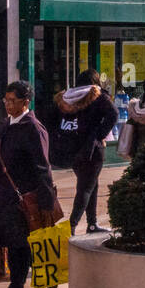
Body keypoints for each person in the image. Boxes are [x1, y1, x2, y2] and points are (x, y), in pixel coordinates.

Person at [0, 81, 56, 288]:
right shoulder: (6, 125)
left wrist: (47, 201)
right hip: (5, 196)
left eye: (12, 101)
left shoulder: (33, 128)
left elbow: (43, 167)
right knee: (16, 244)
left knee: (21, 244)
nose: (7, 104)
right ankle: (39, 280)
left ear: (25, 102)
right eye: (5, 100)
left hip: (26, 198)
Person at [55, 69, 118, 235]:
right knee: (86, 188)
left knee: (91, 185)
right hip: (92, 150)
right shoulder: (97, 96)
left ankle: (92, 224)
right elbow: (114, 114)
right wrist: (99, 135)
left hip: (72, 149)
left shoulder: (67, 98)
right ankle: (72, 226)